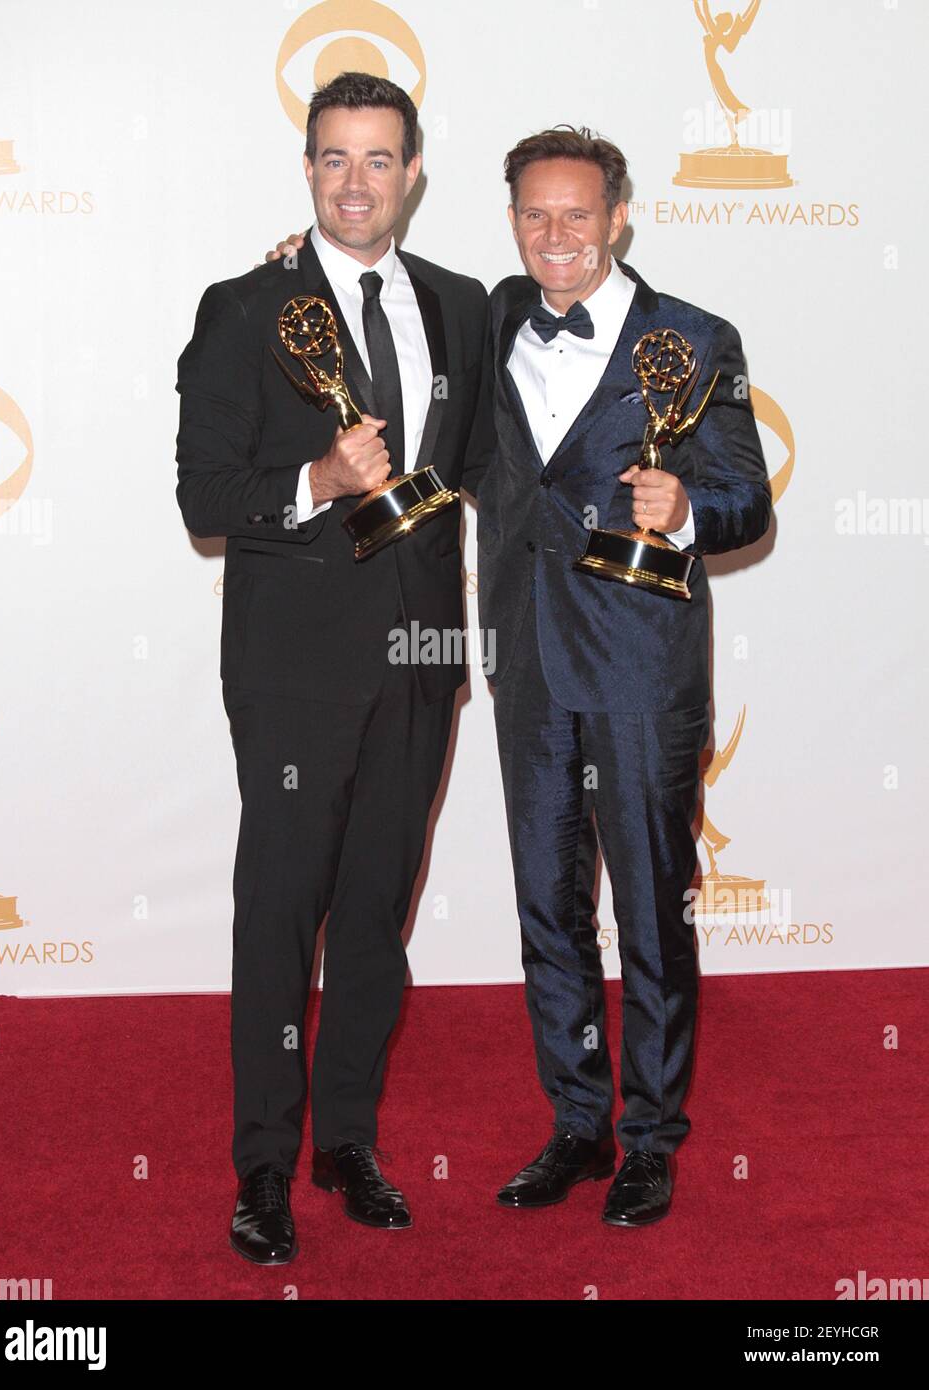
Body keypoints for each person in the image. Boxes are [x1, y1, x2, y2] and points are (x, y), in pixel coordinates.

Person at [175, 71, 490, 1265]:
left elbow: (512, 445)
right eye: (333, 158)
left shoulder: (464, 305)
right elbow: (205, 498)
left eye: (377, 159)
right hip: (294, 668)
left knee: (373, 919)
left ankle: (345, 1140)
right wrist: (317, 479)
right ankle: (262, 1165)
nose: (355, 182)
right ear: (305, 168)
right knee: (279, 919)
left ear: (412, 173)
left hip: (419, 659)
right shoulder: (242, 307)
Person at [475, 125, 772, 1226]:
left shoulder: (697, 340)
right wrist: (289, 273)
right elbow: (379, 325)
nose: (556, 235)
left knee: (649, 911)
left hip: (642, 669)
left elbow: (749, 496)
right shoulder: (490, 315)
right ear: (512, 219)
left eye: (577, 215)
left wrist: (690, 509)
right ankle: (575, 1125)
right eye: (534, 214)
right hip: (529, 669)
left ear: (619, 218)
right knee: (548, 910)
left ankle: (650, 1136)